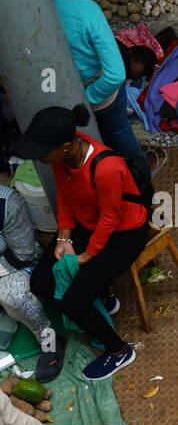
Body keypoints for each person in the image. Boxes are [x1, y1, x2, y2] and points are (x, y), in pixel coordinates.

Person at [10, 105, 149, 381]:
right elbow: (65, 195)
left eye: (42, 152)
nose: (39, 158)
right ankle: (103, 300)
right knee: (42, 282)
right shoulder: (63, 159)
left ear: (64, 146)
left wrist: (86, 257)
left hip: (124, 233)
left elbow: (111, 217)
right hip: (88, 225)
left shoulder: (106, 167)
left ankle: (118, 351)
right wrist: (64, 237)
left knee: (73, 302)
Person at [39, 0, 146, 163]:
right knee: (119, 133)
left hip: (63, 101)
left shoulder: (23, 21)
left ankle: (111, 171)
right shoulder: (85, 10)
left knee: (91, 145)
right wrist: (89, 98)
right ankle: (140, 182)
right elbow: (116, 74)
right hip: (101, 96)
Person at [0, 185, 57, 350]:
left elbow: (22, 254)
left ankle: (50, 344)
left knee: (16, 298)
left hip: (14, 260)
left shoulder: (7, 202)